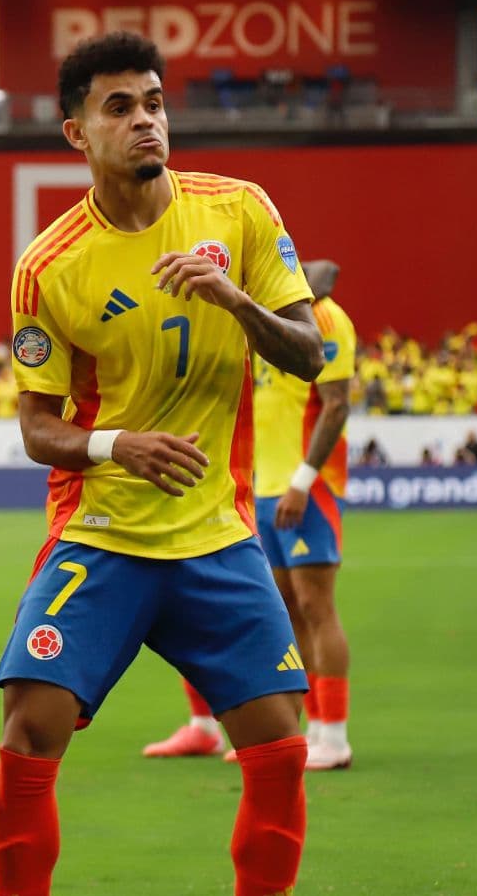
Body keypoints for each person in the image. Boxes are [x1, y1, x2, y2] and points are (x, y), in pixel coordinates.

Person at [0, 32, 325, 896]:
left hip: (217, 537)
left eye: (154, 101)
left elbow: (310, 349)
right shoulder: (48, 266)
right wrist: (116, 443)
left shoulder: (239, 211)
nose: (146, 119)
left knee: (280, 746)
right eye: (120, 106)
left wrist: (235, 298)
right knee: (31, 726)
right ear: (78, 131)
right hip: (102, 536)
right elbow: (36, 426)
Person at [146, 257, 355, 767]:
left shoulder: (324, 319)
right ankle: (299, 731)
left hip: (307, 488)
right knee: (285, 611)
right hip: (263, 487)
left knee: (316, 607)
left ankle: (334, 736)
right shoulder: (257, 320)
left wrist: (303, 482)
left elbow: (336, 404)